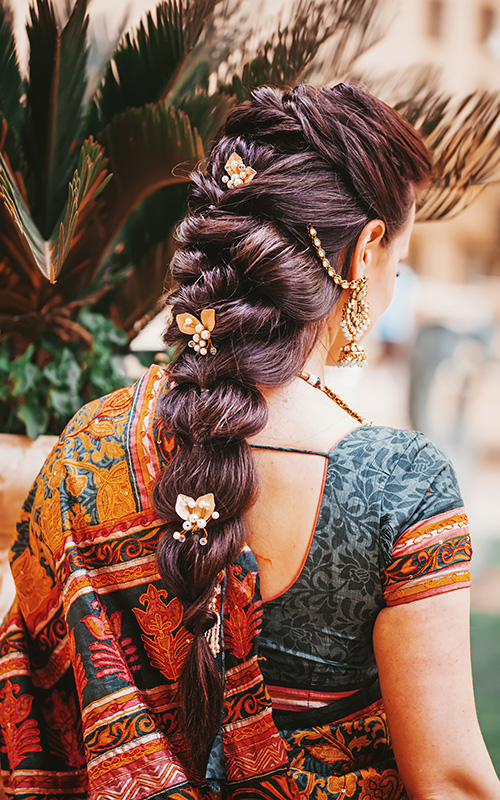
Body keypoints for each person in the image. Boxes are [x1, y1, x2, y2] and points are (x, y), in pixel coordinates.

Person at [0, 83, 498, 800]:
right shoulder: (401, 485)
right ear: (365, 252)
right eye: (402, 256)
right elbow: (447, 780)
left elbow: (30, 712)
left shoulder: (91, 448)